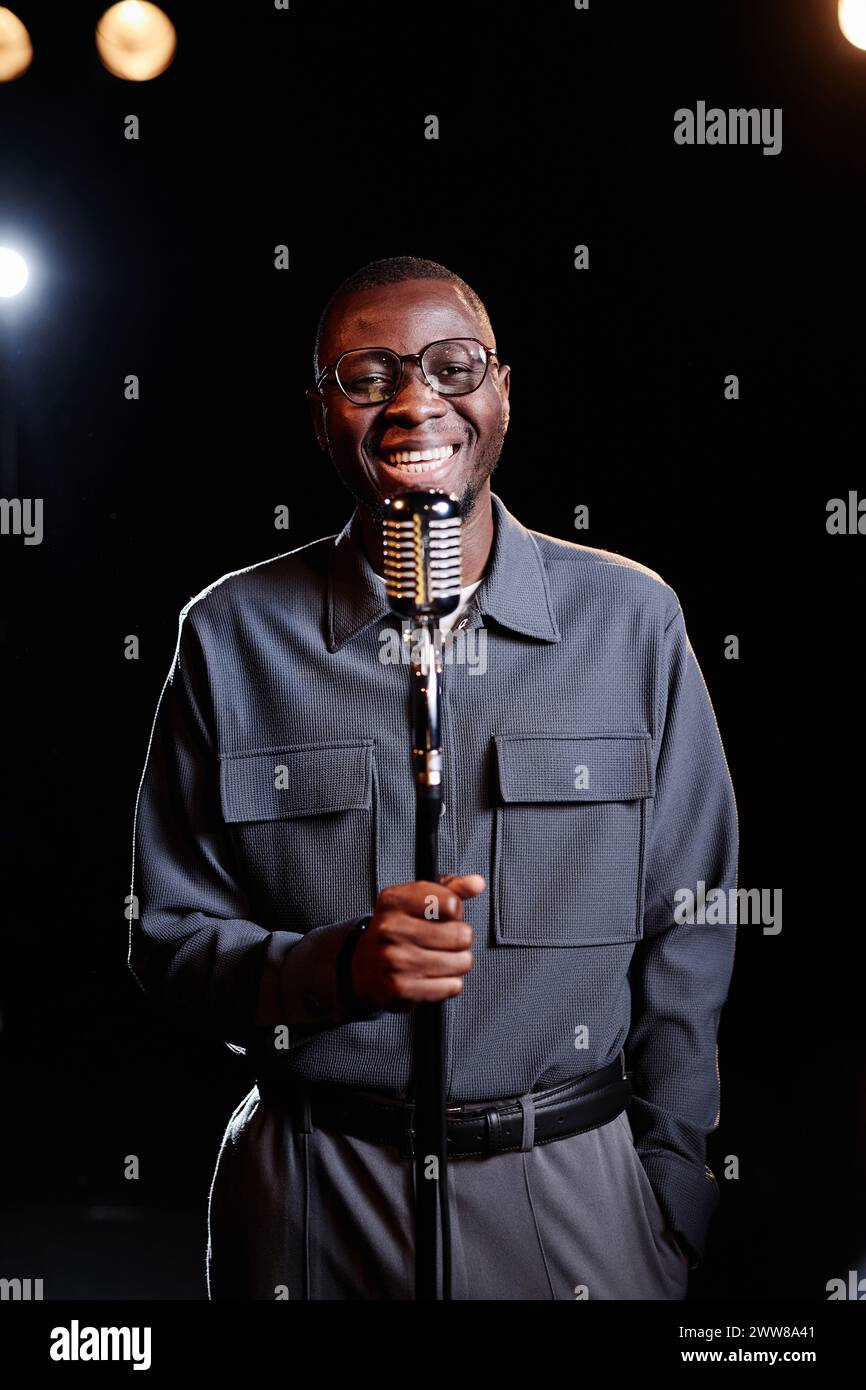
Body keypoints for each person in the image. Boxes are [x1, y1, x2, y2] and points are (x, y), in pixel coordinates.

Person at [128, 254, 738, 1300]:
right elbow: (165, 939)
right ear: (320, 417)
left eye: (451, 366)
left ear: (502, 391)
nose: (414, 402)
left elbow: (692, 924)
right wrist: (339, 969)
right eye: (365, 376)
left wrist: (670, 1194)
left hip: (571, 1192)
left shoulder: (633, 622)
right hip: (315, 1192)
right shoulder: (228, 636)